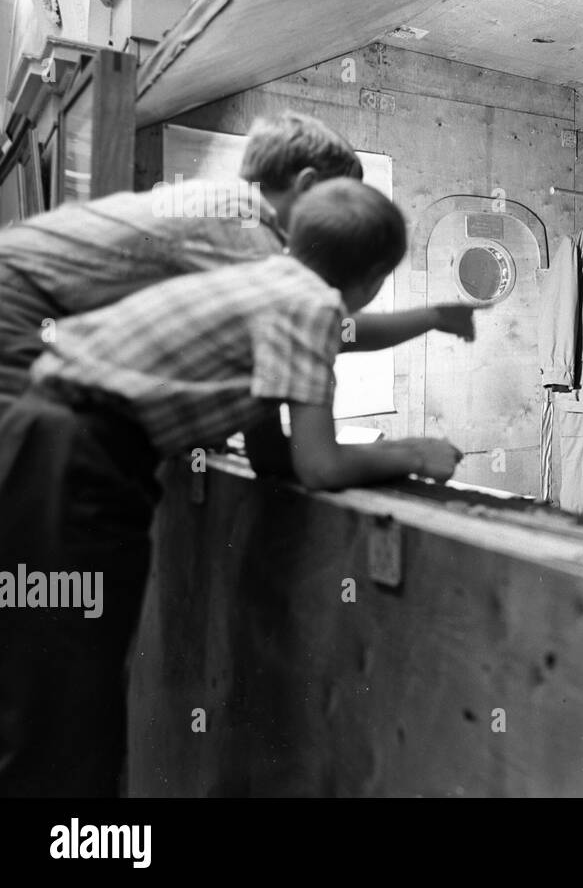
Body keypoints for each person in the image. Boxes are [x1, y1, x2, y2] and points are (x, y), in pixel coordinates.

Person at [0, 178, 462, 797]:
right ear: (373, 282)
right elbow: (319, 464)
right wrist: (412, 452)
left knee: (46, 679)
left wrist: (432, 319)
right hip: (84, 461)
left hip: (40, 434)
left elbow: (274, 453)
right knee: (71, 697)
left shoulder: (266, 277)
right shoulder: (310, 310)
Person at [0, 110, 477, 418]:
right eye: (338, 198)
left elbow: (325, 327)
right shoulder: (247, 228)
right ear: (307, 184)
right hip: (16, 310)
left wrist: (431, 318)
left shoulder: (224, 204)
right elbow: (319, 330)